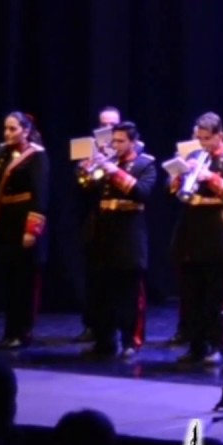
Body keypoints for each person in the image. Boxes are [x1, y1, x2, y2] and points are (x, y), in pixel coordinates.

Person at [167, 112, 223, 364]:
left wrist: (210, 178)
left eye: (207, 139)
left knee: (213, 293)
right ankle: (195, 344)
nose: (202, 144)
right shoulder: (195, 156)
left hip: (216, 229)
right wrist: (178, 175)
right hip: (191, 228)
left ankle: (215, 344)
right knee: (191, 293)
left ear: (220, 136)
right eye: (199, 138)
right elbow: (175, 193)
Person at [78, 121, 156, 359]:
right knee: (102, 292)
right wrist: (87, 170)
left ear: (133, 142)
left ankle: (131, 341)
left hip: (129, 235)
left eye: (121, 141)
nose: (116, 145)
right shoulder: (108, 161)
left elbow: (143, 193)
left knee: (129, 294)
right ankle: (105, 341)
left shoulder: (145, 164)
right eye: (114, 141)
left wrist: (116, 173)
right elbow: (86, 188)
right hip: (103, 234)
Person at [0, 112, 48, 347]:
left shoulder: (36, 157)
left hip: (24, 222)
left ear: (26, 130)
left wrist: (32, 229)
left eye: (13, 129)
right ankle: (9, 331)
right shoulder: (2, 153)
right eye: (6, 129)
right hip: (6, 224)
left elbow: (40, 195)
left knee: (25, 282)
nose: (8, 133)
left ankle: (23, 331)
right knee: (8, 279)